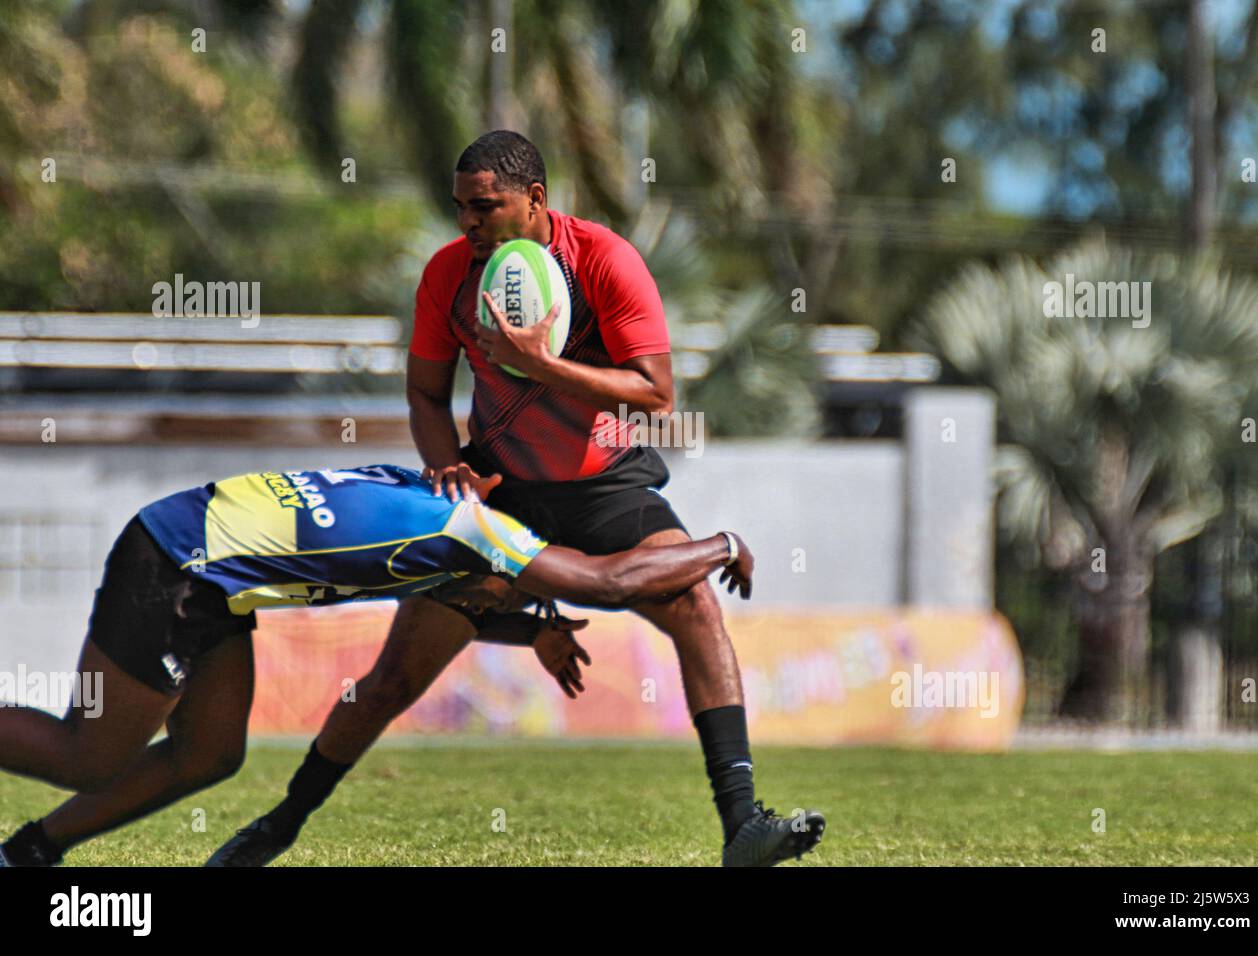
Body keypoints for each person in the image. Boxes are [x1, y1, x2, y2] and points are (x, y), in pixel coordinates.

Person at [211, 129, 828, 868]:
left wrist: (543, 365)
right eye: (460, 207)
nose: (468, 223)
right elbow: (425, 394)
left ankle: (742, 824)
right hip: (501, 491)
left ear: (535, 199)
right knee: (393, 679)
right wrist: (448, 470)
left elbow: (656, 394)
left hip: (608, 488)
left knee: (696, 605)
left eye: (485, 207)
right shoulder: (448, 274)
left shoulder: (604, 260)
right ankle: (277, 826)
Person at [0, 462, 753, 867]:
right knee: (89, 755)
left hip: (209, 566)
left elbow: (461, 594)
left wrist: (532, 634)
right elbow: (611, 582)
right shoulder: (482, 537)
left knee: (211, 753)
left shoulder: (432, 503)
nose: (475, 612)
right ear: (503, 564)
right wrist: (720, 546)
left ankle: (32, 851)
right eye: (505, 598)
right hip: (177, 565)